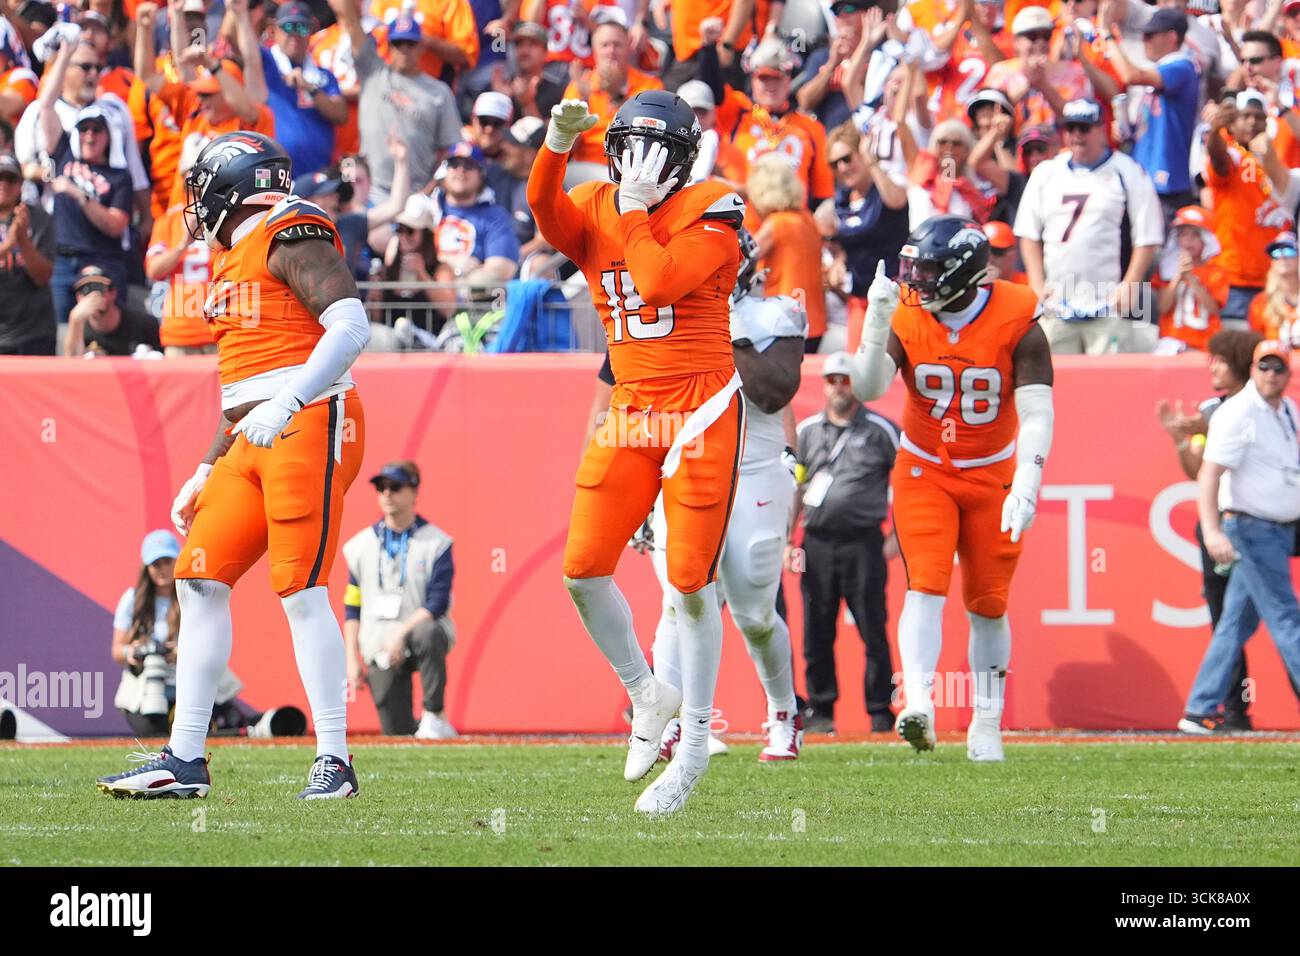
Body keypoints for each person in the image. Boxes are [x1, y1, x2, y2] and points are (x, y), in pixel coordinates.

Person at [96, 131, 371, 800]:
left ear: (230, 183)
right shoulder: (230, 259)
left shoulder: (290, 226)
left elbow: (351, 325)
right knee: (197, 578)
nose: (195, 203)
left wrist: (291, 401)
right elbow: (242, 387)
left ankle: (335, 760)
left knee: (299, 589)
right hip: (251, 432)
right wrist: (203, 466)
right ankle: (184, 758)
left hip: (313, 417)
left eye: (201, 187)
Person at [528, 91, 746, 814]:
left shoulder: (714, 207)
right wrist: (556, 145)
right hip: (632, 407)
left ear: (682, 162)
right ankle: (646, 692)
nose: (634, 164)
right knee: (583, 571)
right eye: (625, 147)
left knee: (687, 583)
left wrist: (635, 206)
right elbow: (545, 212)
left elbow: (654, 279)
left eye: (651, 152)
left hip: (701, 407)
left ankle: (691, 751)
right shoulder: (595, 201)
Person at [849, 215, 1055, 761]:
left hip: (993, 469)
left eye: (929, 270)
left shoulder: (1016, 314)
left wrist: (1028, 481)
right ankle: (919, 703)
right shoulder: (907, 311)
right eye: (912, 268)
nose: (915, 281)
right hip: (925, 468)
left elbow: (1037, 412)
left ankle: (986, 722)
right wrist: (876, 318)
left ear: (963, 272)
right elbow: (868, 388)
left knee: (988, 602)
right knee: (926, 586)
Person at [646, 230, 807, 761]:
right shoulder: (659, 314)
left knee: (754, 613)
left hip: (754, 472)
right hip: (686, 469)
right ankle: (668, 720)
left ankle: (783, 712)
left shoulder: (772, 316)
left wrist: (714, 327)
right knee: (680, 600)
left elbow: (772, 390)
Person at [1155, 327, 1290, 732]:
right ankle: (1222, 707)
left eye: (1221, 359)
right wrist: (1183, 441)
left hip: (1267, 524)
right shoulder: (1220, 411)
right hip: (1238, 525)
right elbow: (1202, 472)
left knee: (1234, 621)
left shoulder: (1277, 410)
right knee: (1272, 618)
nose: (1213, 366)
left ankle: (1207, 707)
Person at [792, 351, 900, 735]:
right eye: (833, 379)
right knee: (816, 628)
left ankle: (880, 711)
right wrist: (790, 538)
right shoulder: (806, 430)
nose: (839, 386)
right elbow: (796, 486)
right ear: (823, 385)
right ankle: (821, 711)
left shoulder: (880, 430)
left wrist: (897, 538)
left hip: (864, 541)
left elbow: (909, 484)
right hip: (817, 542)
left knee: (874, 627)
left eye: (846, 378)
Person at [1013, 98, 1162, 353]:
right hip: (1056, 303)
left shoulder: (1127, 171)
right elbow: (1028, 232)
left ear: (1101, 129)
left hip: (1107, 300)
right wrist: (1037, 284)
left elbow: (1147, 235)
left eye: (1084, 128)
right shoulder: (1046, 173)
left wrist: (1130, 284)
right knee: (1056, 383)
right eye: (1070, 128)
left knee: (1107, 386)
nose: (1076, 135)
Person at [343, 461, 457, 739]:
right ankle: (418, 728)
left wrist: (401, 634)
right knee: (397, 734)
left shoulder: (437, 542)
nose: (387, 494)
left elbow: (437, 604)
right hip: (378, 644)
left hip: (418, 634)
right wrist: (351, 660)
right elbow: (352, 606)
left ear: (414, 491)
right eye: (381, 488)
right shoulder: (359, 546)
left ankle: (434, 714)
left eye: (395, 487)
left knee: (428, 632)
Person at [110, 530, 244, 737]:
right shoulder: (132, 599)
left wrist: (183, 651)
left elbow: (210, 641)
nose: (162, 569)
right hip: (147, 685)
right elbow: (117, 650)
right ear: (146, 568)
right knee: (151, 730)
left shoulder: (193, 594)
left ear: (178, 561)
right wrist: (133, 652)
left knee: (218, 720)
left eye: (167, 561)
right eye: (156, 563)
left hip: (187, 679)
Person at [36, 53, 135, 325]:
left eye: (97, 130)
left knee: (101, 334)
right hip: (62, 262)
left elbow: (116, 225)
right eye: (84, 129)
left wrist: (79, 195)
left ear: (109, 136)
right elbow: (46, 104)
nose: (90, 135)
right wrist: (66, 52)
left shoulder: (119, 177)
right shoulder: (65, 152)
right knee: (63, 332)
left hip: (102, 261)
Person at [332, 0, 462, 198]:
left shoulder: (439, 92)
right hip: (370, 191)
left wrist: (427, 193)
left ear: (421, 47)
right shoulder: (373, 72)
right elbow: (351, 23)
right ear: (389, 46)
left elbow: (448, 152)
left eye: (410, 43)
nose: (404, 49)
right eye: (398, 43)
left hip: (415, 194)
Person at [1204, 91, 1295, 328]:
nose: (1253, 122)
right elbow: (1218, 159)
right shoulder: (1233, 155)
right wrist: (1216, 131)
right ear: (1233, 123)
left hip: (1274, 281)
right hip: (1237, 283)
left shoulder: (1271, 158)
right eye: (1246, 116)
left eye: (1258, 116)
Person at [820, 120, 909, 353]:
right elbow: (838, 239)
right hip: (859, 298)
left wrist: (872, 162)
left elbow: (898, 201)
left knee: (891, 367)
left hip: (893, 297)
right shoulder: (842, 199)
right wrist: (839, 260)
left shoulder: (883, 189)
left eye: (847, 158)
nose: (842, 167)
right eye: (835, 163)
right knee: (858, 369)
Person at [1104, 7, 1199, 224]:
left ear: (1171, 37)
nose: (1144, 41)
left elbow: (1130, 75)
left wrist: (1108, 35)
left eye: (1150, 35)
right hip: (1145, 177)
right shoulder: (1164, 70)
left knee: (1162, 255)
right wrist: (1126, 132)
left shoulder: (1182, 66)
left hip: (1168, 184)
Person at [253, 1, 347, 177]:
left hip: (316, 180)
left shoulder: (323, 75)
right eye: (288, 26)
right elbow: (240, 44)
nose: (295, 34)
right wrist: (238, 11)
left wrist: (309, 87)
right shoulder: (265, 62)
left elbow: (341, 114)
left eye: (302, 27)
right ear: (274, 30)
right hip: (271, 175)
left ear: (311, 31)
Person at [747, 154, 827, 351]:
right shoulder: (807, 218)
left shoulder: (777, 223)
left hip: (785, 321)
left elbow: (743, 256)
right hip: (814, 320)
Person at [1152, 205, 1228, 353]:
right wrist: (1178, 277)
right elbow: (1163, 307)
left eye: (1195, 235)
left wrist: (1191, 279)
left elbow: (1213, 309)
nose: (1188, 241)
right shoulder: (1165, 269)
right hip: (1171, 343)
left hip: (1203, 344)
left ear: (1206, 239)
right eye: (1183, 235)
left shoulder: (1216, 271)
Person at [0, 152, 54, 355]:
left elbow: (42, 276)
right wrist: (10, 243)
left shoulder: (38, 219)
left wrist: (23, 242)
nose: (4, 184)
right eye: (0, 177)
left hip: (34, 334)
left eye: (11, 178)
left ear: (21, 184)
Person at [64, 265, 161, 356]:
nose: (92, 296)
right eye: (85, 291)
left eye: (98, 289)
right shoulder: (78, 328)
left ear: (113, 293)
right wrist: (75, 319)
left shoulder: (143, 323)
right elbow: (71, 364)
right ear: (78, 298)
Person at [1248, 232, 1300, 345]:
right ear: (1272, 262)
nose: (1282, 257)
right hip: (1276, 361)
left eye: (1289, 251)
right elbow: (1258, 345)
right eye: (1275, 253)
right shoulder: (1261, 303)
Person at [983, 220, 1028, 284]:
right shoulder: (971, 289)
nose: (990, 258)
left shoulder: (1030, 285)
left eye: (996, 251)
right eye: (984, 252)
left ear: (1014, 253)